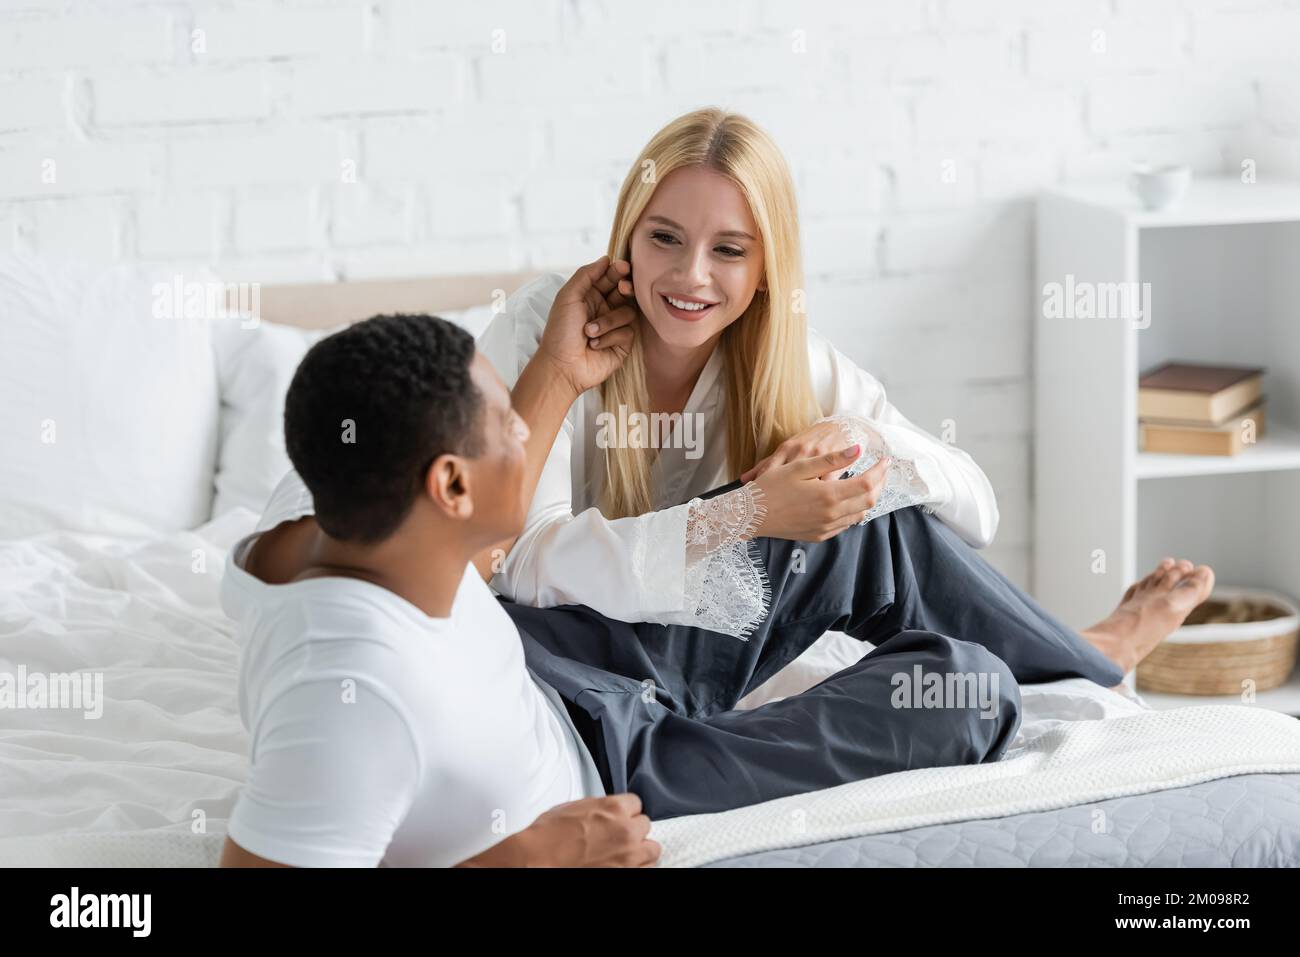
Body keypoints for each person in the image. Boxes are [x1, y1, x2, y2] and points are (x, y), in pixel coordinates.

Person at [219, 262, 1214, 867]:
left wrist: (561, 369)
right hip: (617, 766)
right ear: (447, 486)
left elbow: (482, 553)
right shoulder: (349, 693)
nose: (531, 439)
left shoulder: (317, 519)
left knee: (842, 525)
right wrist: (515, 862)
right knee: (959, 688)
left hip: (545, 664)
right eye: (504, 431)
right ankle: (1036, 663)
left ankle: (1085, 654)